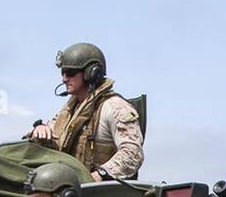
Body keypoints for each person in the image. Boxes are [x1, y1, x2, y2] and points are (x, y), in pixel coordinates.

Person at [26, 43, 144, 180]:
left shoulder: (114, 107)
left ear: (91, 73)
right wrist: (39, 130)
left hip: (101, 191)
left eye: (70, 73)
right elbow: (48, 136)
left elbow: (133, 153)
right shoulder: (70, 111)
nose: (64, 79)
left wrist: (97, 176)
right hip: (71, 186)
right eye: (63, 73)